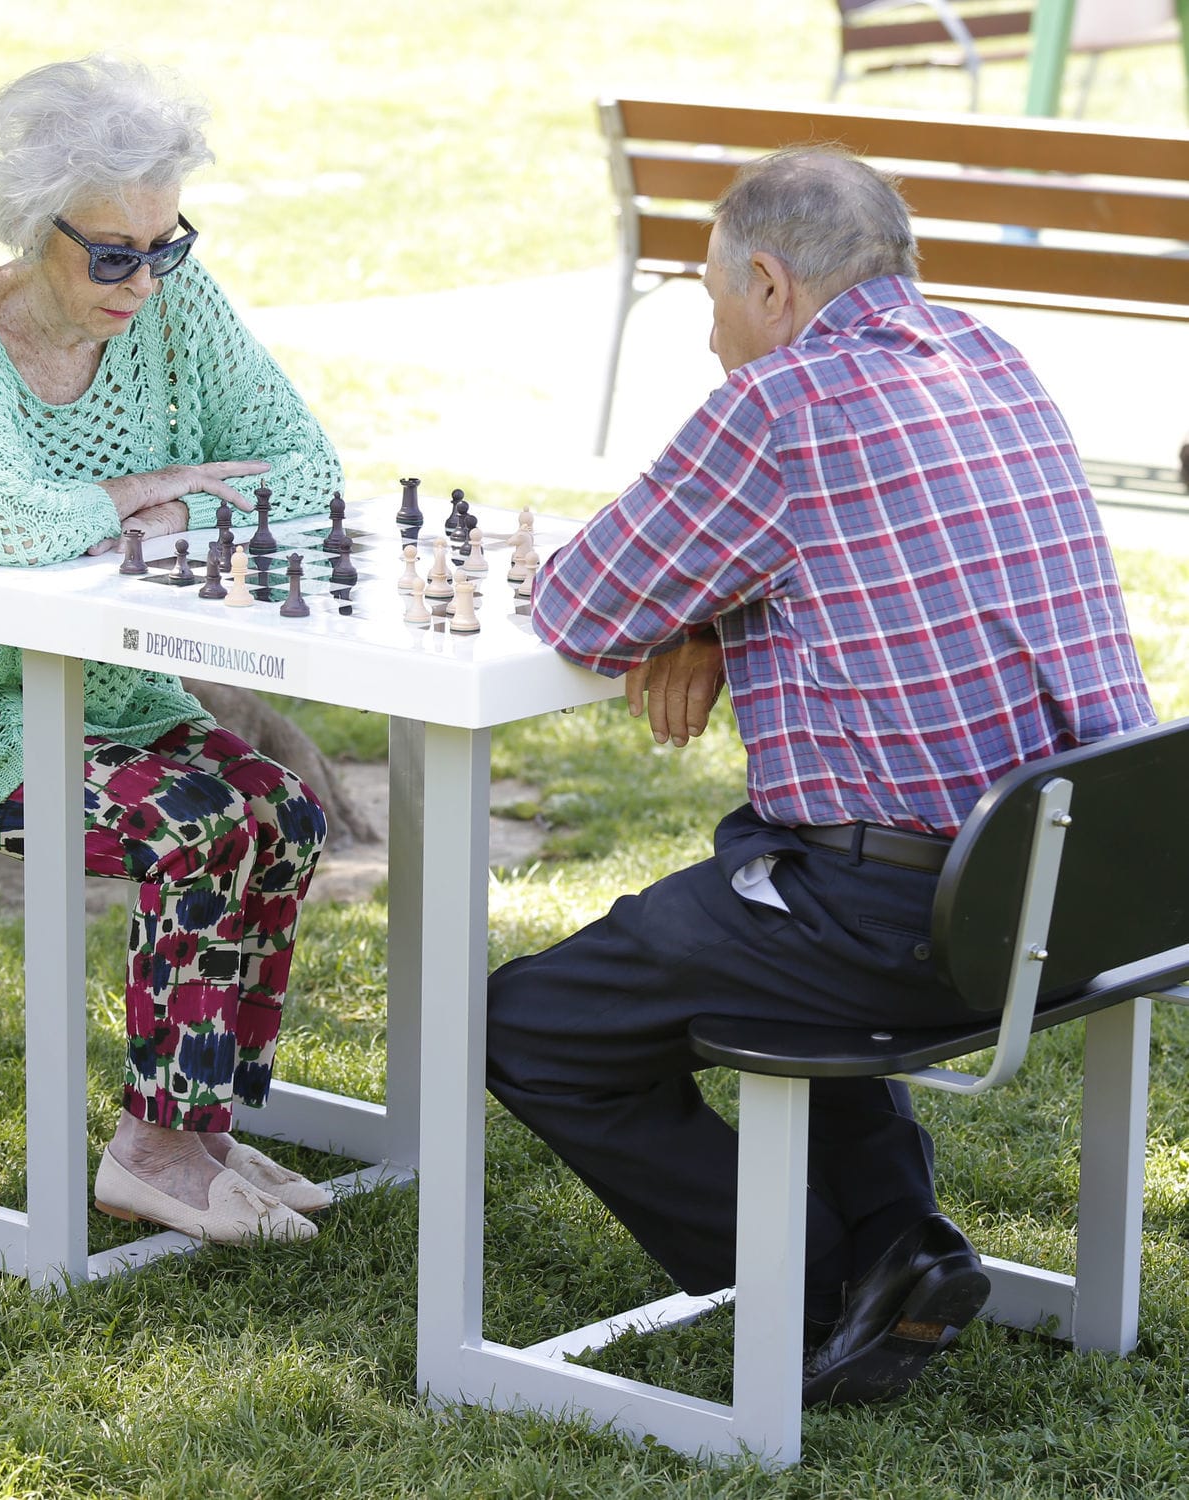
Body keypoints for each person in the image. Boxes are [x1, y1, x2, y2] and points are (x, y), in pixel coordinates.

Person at [486, 148, 1156, 1406]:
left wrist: (675, 608)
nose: (712, 341)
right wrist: (698, 613)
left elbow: (582, 603)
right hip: (1090, 877)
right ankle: (908, 1246)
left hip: (918, 916)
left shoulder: (779, 405)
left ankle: (819, 1276)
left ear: (769, 281)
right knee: (772, 874)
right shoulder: (988, 355)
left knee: (529, 1020)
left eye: (712, 304)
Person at [0, 55, 344, 1247]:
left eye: (168, 244)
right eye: (112, 253)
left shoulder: (171, 303)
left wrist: (164, 513)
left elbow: (304, 466)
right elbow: (10, 529)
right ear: (31, 226)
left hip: (99, 690)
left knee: (287, 812)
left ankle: (196, 1126)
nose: (145, 280)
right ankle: (151, 1150)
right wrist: (146, 489)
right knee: (199, 824)